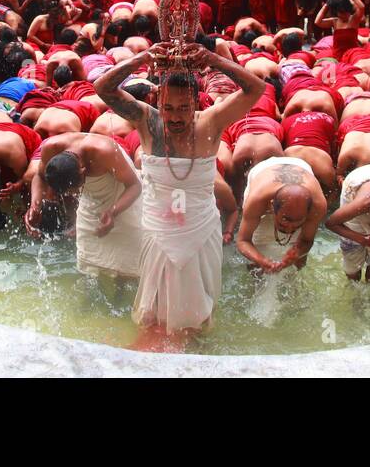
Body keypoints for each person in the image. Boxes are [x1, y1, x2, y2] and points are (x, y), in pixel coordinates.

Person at [94, 41, 265, 351]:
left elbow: (256, 89)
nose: (175, 117)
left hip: (200, 230)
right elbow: (102, 88)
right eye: (168, 107)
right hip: (158, 232)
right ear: (158, 101)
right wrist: (142, 59)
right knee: (156, 319)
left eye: (183, 108)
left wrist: (214, 59)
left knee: (195, 319)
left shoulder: (211, 121)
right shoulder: (147, 120)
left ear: (195, 103)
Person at [30, 131, 144, 281]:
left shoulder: (104, 152)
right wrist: (35, 204)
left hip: (122, 195)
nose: (72, 195)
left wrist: (112, 213)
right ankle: (90, 297)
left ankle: (122, 291)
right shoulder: (51, 148)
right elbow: (39, 176)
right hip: (90, 201)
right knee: (88, 259)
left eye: (74, 191)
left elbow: (134, 185)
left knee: (128, 264)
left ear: (83, 171)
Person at [236, 155, 327, 273]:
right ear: (271, 207)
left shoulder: (318, 205)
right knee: (255, 265)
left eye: (296, 225)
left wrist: (297, 253)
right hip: (263, 170)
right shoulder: (257, 200)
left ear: (308, 212)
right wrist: (261, 260)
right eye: (284, 222)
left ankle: (295, 282)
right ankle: (255, 282)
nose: (289, 230)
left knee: (299, 260)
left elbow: (306, 240)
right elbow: (243, 241)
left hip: (301, 166)